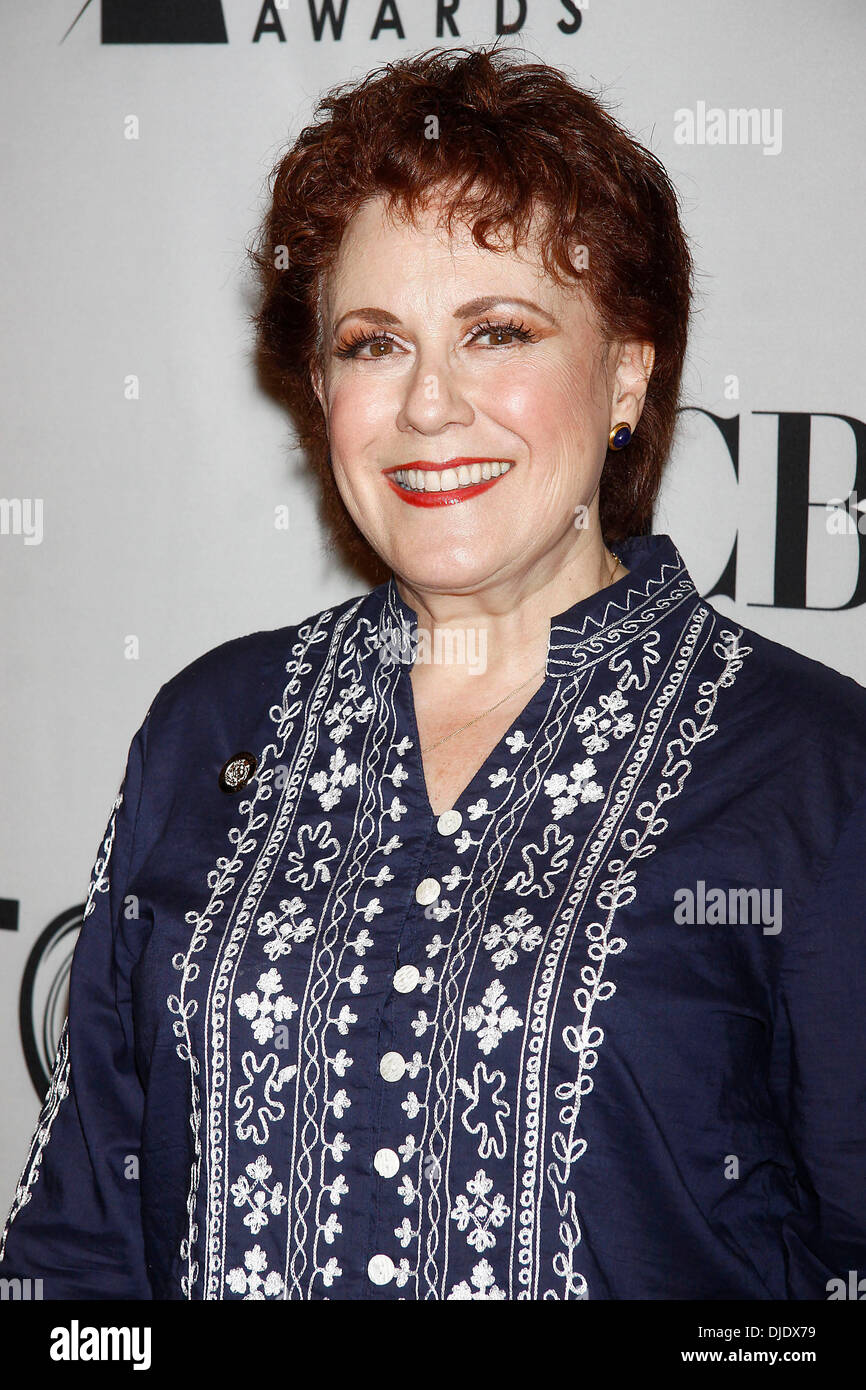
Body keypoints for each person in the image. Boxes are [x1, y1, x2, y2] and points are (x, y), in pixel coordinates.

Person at [2, 43, 865, 1301]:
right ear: (318, 387)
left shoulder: (812, 769)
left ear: (626, 371)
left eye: (496, 331)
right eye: (371, 343)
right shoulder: (209, 726)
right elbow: (82, 1248)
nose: (426, 406)